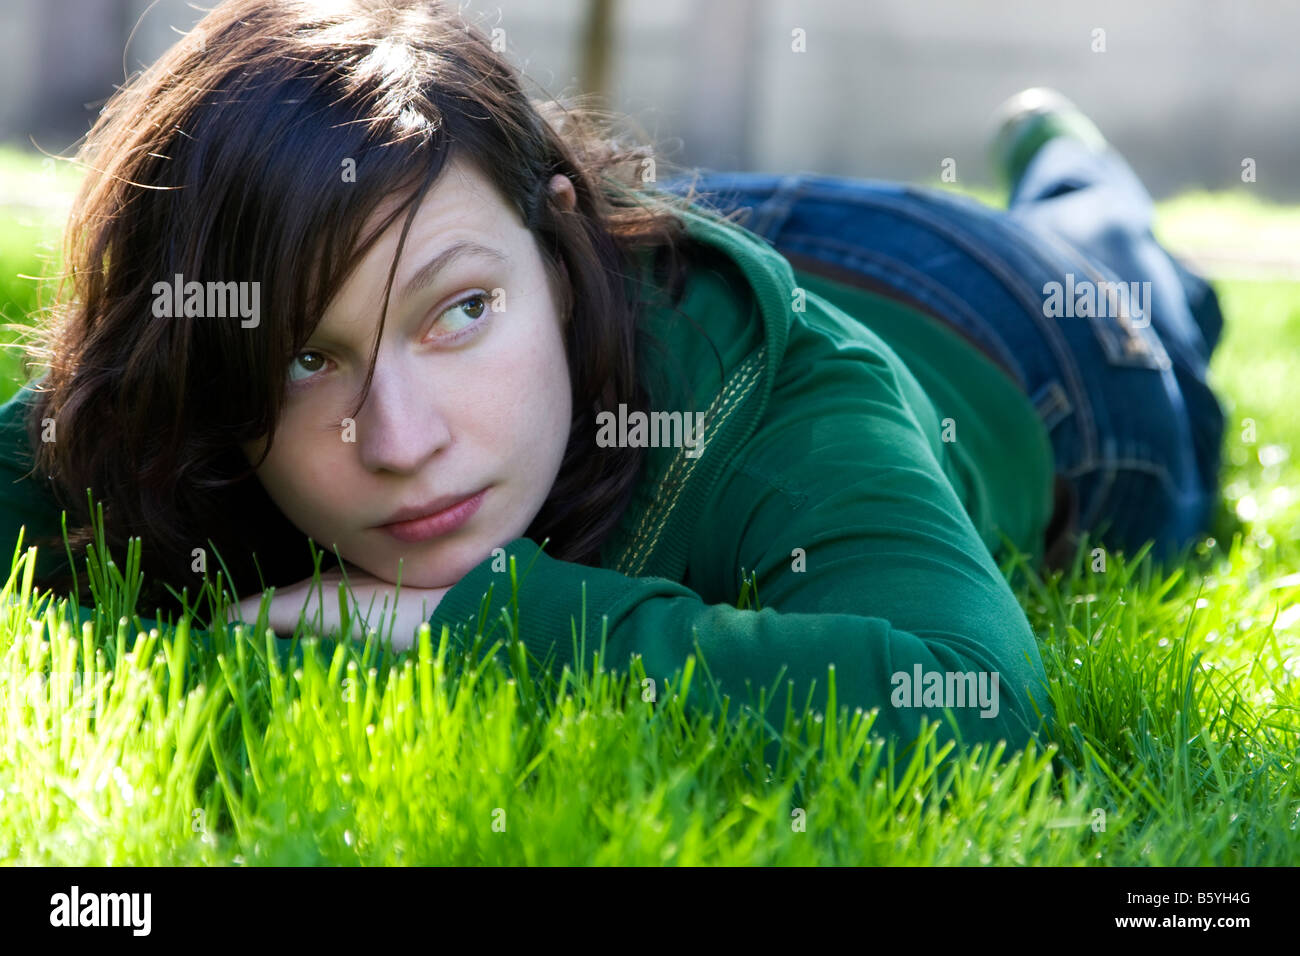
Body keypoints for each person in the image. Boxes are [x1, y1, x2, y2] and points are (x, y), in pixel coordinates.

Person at [0, 0, 1224, 757]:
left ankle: (1075, 172)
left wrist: (464, 625)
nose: (399, 439)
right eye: (306, 359)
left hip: (1007, 321)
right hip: (691, 218)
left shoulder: (779, 408)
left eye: (458, 315)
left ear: (560, 253)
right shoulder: (188, 387)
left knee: (1131, 274)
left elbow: (971, 705)